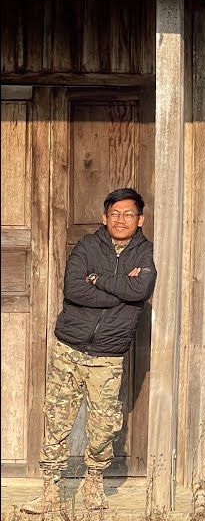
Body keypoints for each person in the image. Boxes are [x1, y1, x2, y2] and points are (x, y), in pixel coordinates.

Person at [22, 188, 156, 515]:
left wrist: (98, 280)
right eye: (115, 213)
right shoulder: (86, 246)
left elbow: (141, 289)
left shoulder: (145, 253)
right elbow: (75, 288)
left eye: (128, 214)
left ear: (140, 219)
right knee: (56, 420)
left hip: (108, 355)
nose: (120, 219)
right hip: (68, 347)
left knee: (103, 427)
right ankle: (50, 489)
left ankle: (93, 480)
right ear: (104, 216)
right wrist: (120, 288)